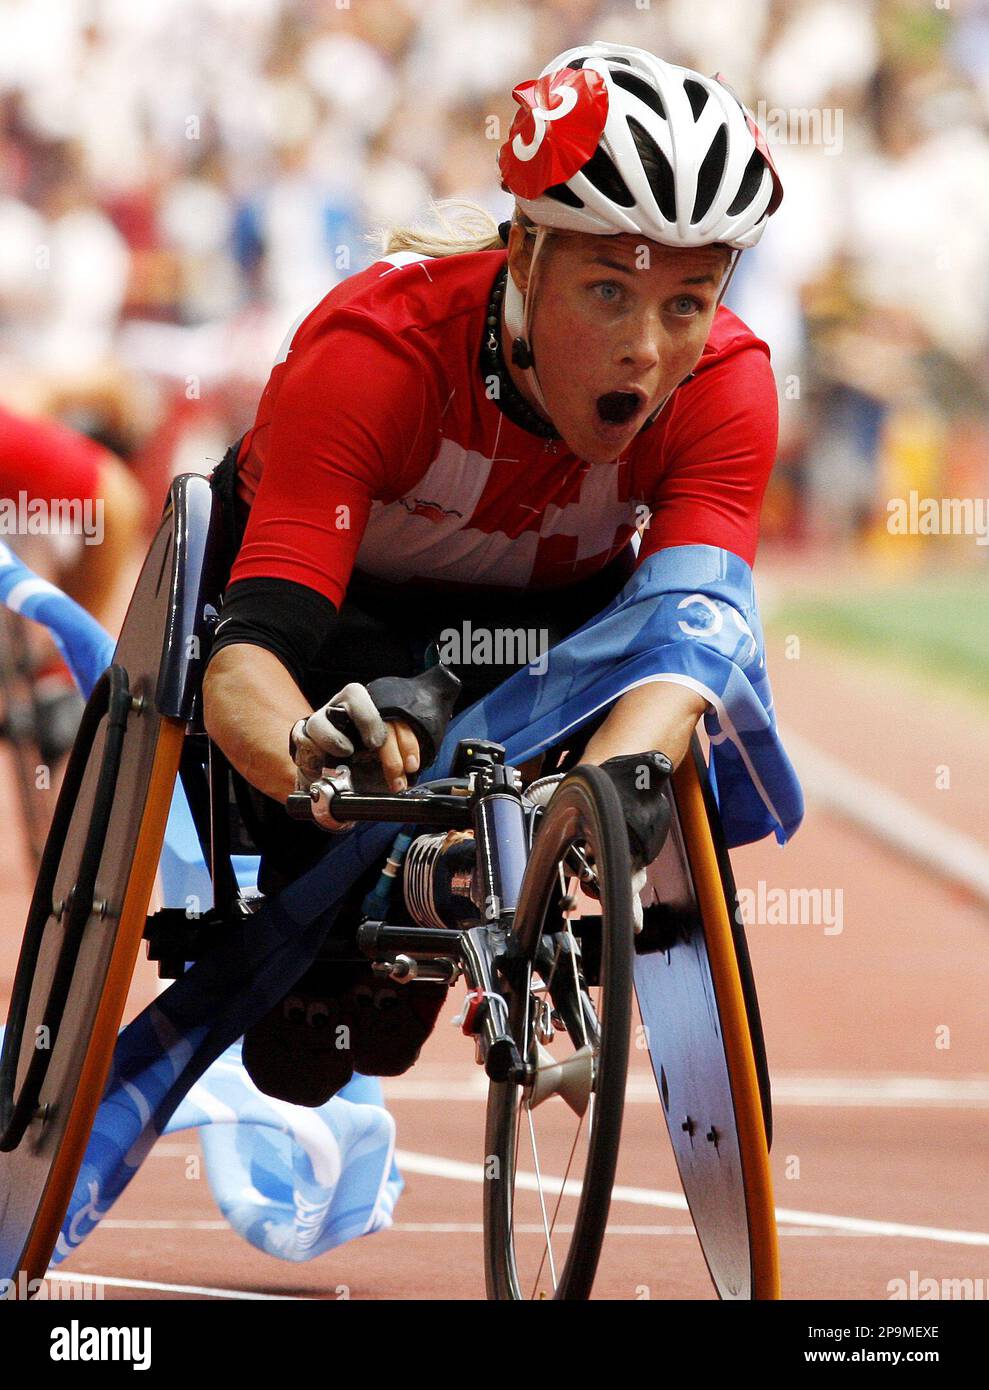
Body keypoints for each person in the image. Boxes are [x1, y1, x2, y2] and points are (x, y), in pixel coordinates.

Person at [202, 40, 784, 1105]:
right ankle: (361, 899)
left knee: (670, 674)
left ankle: (459, 879)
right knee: (308, 1048)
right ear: (523, 254)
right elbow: (246, 657)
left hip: (548, 646)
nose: (645, 353)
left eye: (684, 303)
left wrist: (613, 791)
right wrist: (307, 763)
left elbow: (685, 637)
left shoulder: (727, 388)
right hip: (343, 628)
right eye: (607, 292)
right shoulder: (374, 353)